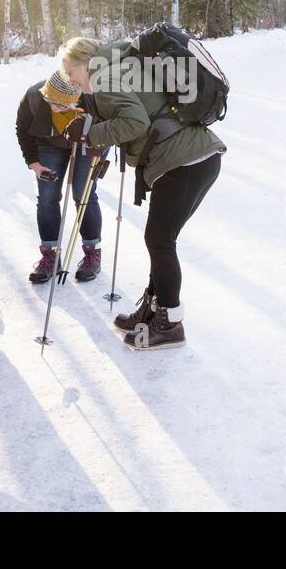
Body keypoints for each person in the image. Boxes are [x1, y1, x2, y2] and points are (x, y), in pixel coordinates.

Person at [56, 35, 224, 350]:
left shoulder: (104, 76)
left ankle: (170, 325)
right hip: (194, 158)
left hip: (184, 161)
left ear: (83, 61)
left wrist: (91, 134)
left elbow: (135, 122)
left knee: (159, 240)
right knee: (160, 239)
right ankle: (153, 312)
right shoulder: (118, 65)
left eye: (70, 72)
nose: (71, 81)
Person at [14, 70, 103, 284]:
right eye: (50, 101)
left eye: (61, 105)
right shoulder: (34, 95)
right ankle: (51, 255)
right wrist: (33, 162)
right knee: (47, 197)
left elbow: (110, 128)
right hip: (48, 143)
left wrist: (95, 147)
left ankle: (92, 252)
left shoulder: (92, 98)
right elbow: (23, 130)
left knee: (83, 194)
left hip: (88, 142)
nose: (54, 107)